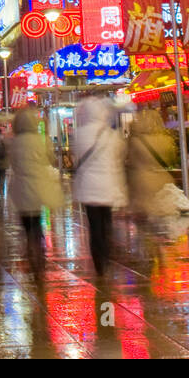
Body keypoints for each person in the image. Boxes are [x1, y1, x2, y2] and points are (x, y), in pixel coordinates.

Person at [72, 90, 129, 278]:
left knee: (94, 226)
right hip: (107, 187)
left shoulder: (79, 135)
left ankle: (99, 263)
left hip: (88, 189)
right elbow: (119, 158)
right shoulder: (110, 135)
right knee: (106, 224)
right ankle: (106, 255)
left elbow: (76, 158)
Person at [8, 106, 63, 275]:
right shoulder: (42, 140)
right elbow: (51, 160)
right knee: (37, 220)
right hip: (38, 184)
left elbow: (10, 163)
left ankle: (31, 249)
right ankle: (38, 253)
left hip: (21, 186)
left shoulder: (13, 142)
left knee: (27, 223)